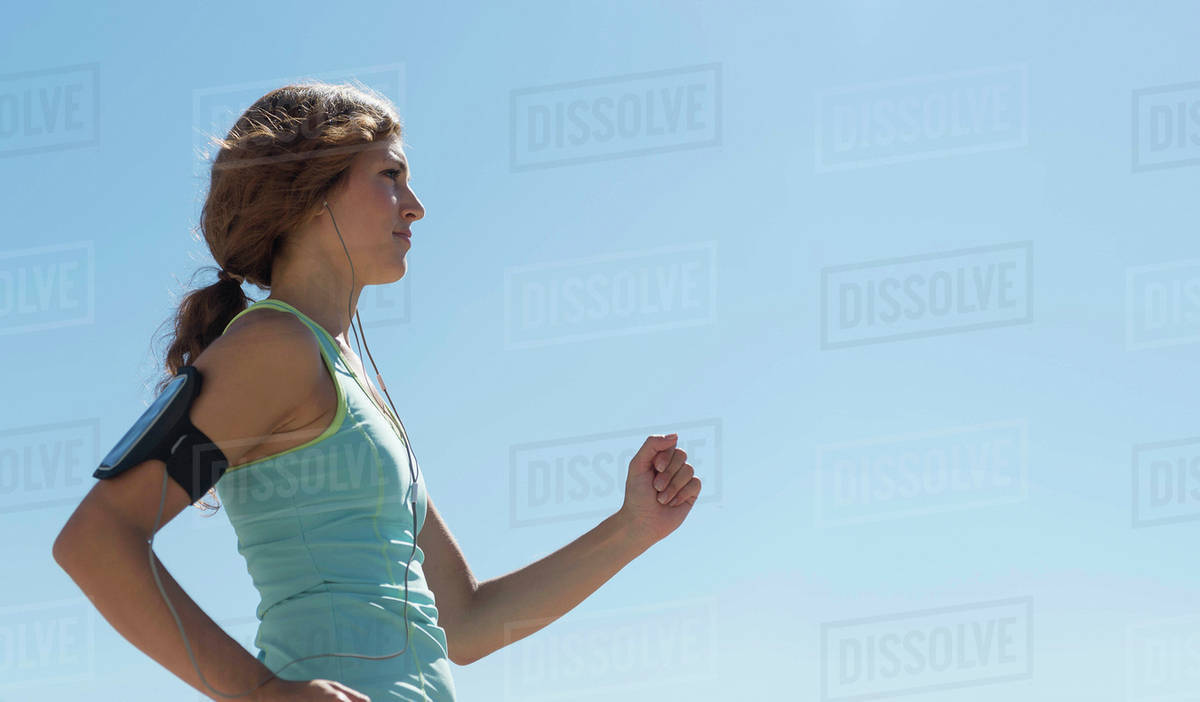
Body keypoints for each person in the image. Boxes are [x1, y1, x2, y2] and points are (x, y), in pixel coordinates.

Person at [50, 81, 703, 701]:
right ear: (311, 191)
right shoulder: (275, 350)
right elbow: (98, 538)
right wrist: (260, 692)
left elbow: (467, 623)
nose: (415, 205)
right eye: (390, 176)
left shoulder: (344, 373)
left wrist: (632, 529)